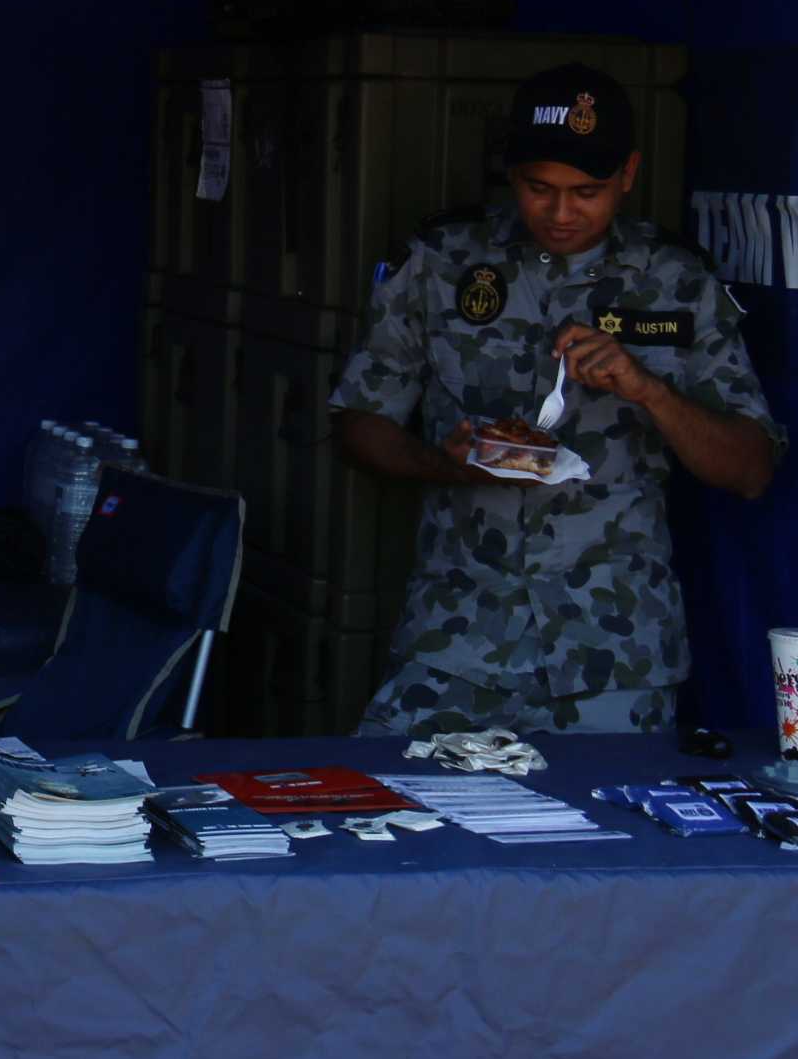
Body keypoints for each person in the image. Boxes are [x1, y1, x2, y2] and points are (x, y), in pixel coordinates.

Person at [329, 61, 782, 736]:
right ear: (512, 173)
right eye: (540, 188)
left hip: (615, 655)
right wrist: (447, 465)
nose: (562, 212)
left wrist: (649, 390)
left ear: (628, 174)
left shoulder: (676, 281)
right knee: (400, 821)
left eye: (589, 191)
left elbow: (751, 470)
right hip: (459, 643)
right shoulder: (442, 261)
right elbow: (358, 422)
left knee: (612, 837)